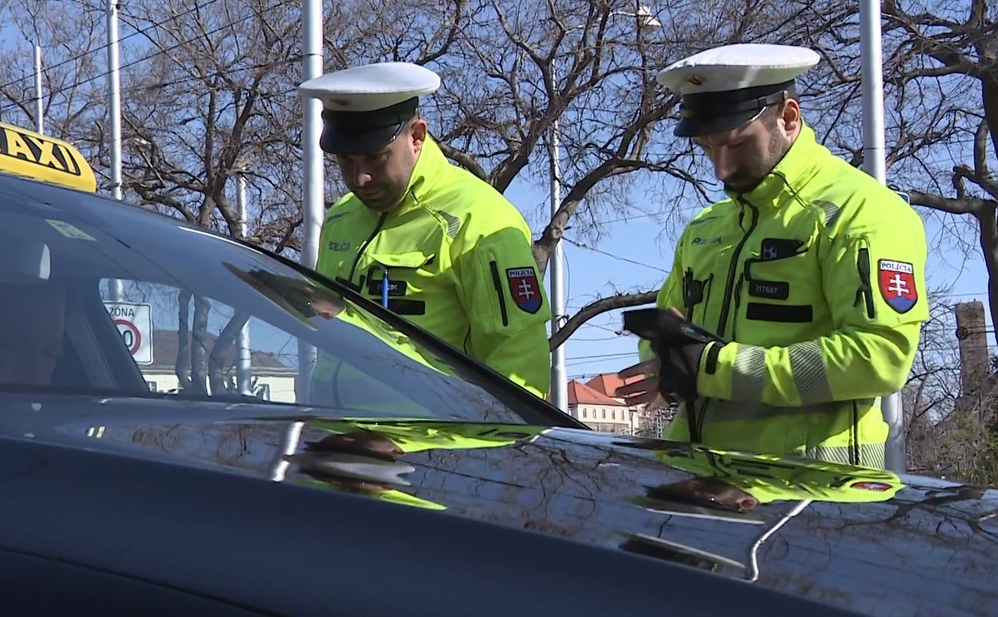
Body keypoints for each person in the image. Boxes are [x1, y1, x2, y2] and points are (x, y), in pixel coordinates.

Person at [616, 44, 930, 469]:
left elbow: (879, 359)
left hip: (812, 492)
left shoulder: (862, 211)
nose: (721, 169)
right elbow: (673, 332)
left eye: (737, 145)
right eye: (708, 149)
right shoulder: (705, 228)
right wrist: (665, 362)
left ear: (788, 117)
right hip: (702, 480)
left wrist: (711, 367)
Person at [297, 62, 553, 399]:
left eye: (376, 158)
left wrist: (439, 449)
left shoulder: (481, 219)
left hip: (427, 448)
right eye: (346, 161)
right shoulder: (342, 217)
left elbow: (520, 378)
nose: (360, 178)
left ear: (416, 136)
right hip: (332, 439)